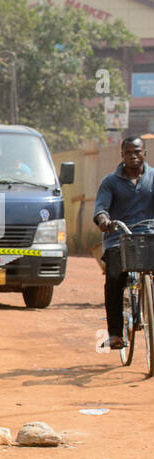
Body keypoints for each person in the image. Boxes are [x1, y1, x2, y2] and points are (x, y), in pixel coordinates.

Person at [94, 135, 154, 351]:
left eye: (137, 152)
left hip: (149, 237)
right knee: (114, 278)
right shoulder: (110, 182)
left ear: (144, 153)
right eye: (128, 152)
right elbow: (101, 208)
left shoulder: (153, 178)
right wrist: (104, 221)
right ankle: (116, 334)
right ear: (122, 155)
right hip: (119, 237)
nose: (133, 156)